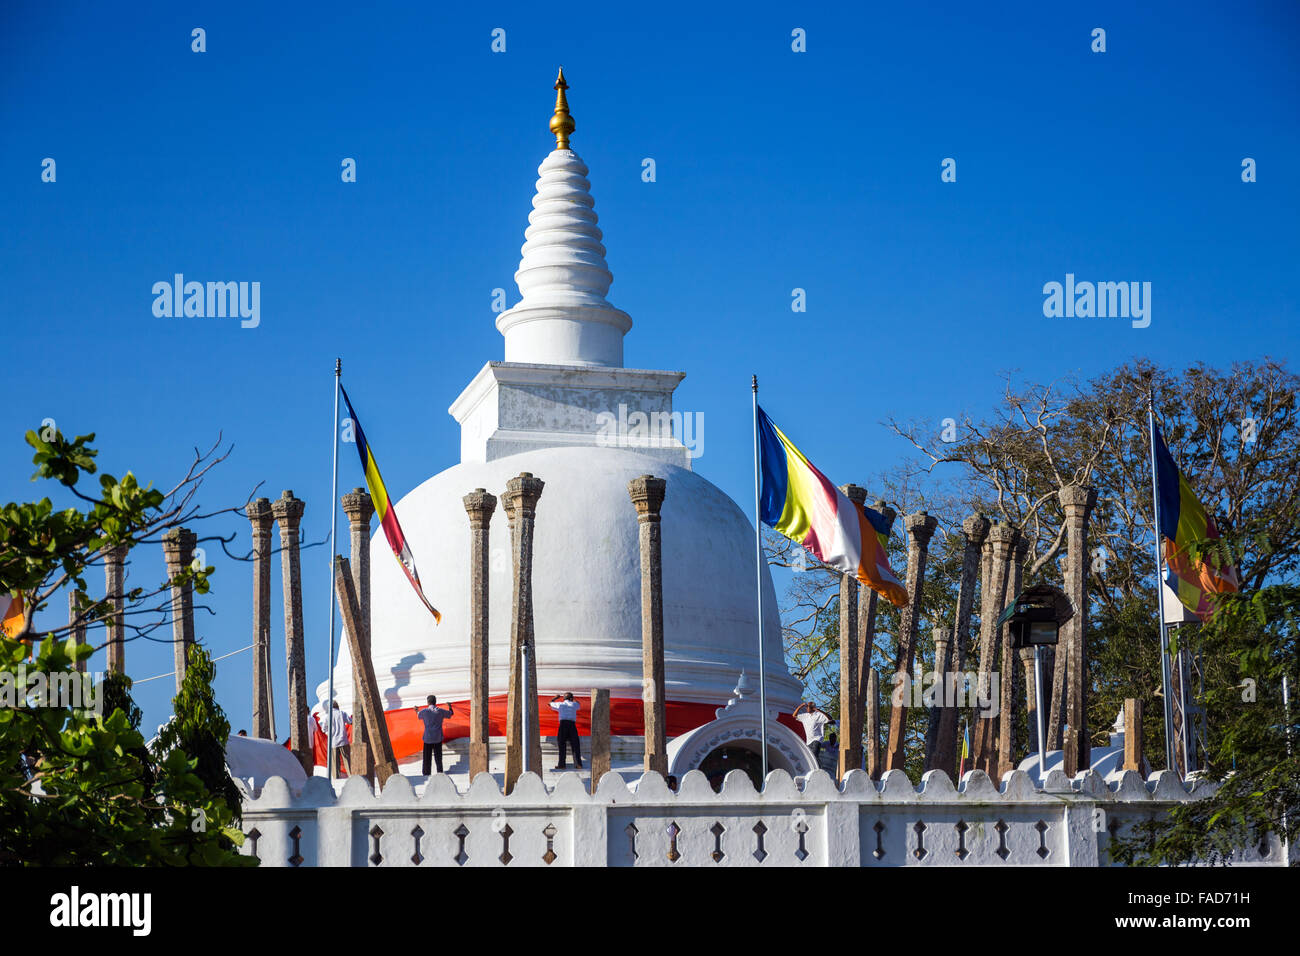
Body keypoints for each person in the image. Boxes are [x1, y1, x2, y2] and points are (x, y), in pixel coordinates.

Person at [414, 695, 454, 775]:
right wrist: (450, 706)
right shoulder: (440, 711)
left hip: (428, 738)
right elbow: (450, 714)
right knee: (438, 758)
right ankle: (440, 773)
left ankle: (426, 774)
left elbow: (418, 715)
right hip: (437, 738)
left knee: (427, 759)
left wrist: (416, 710)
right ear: (435, 702)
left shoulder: (424, 711)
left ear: (428, 702)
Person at [549, 692, 583, 770]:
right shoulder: (574, 705)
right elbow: (578, 704)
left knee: (561, 745)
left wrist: (556, 698)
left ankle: (562, 764)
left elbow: (550, 703)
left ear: (564, 698)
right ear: (571, 698)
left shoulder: (560, 704)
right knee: (575, 745)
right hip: (572, 725)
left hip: (563, 725)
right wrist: (574, 699)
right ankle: (578, 764)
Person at [326, 701, 351, 775]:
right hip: (343, 740)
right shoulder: (341, 713)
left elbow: (323, 728)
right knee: (347, 760)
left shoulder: (328, 716)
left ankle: (336, 777)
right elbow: (350, 721)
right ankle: (350, 775)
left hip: (333, 742)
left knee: (335, 763)